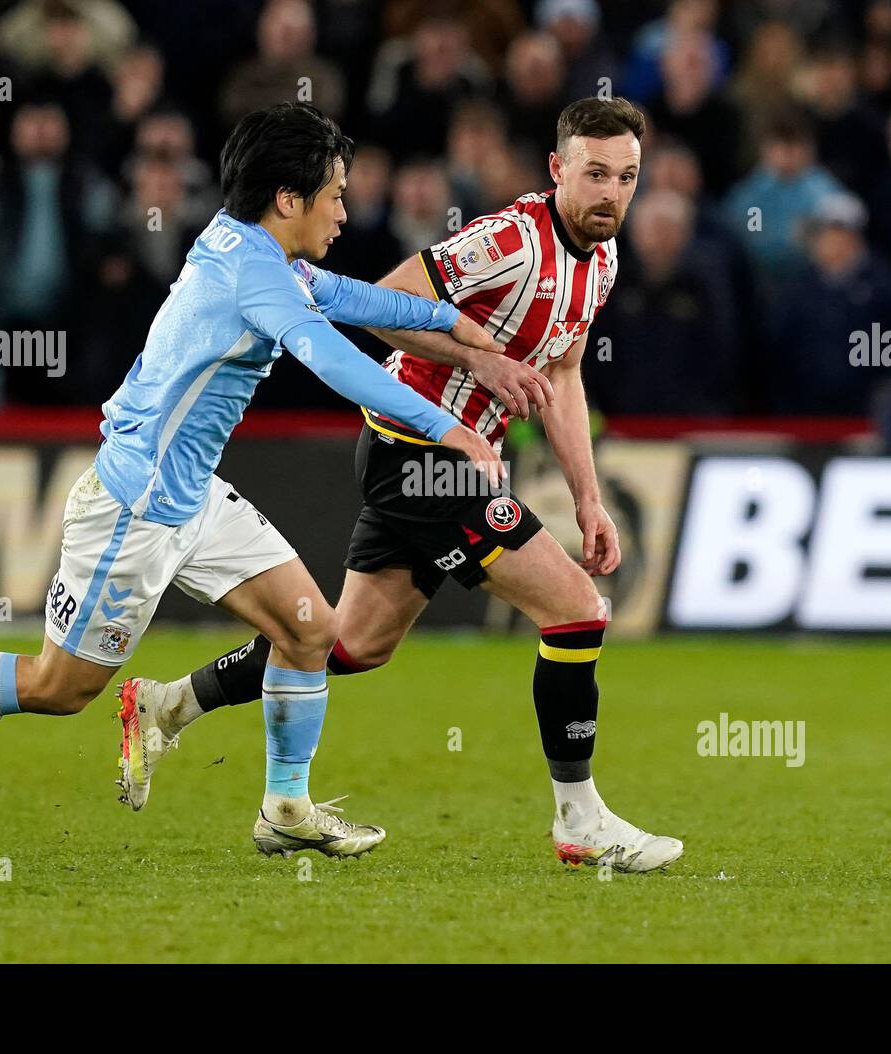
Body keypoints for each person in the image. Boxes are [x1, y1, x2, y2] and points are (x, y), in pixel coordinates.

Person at [0, 103, 505, 863]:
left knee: (310, 629)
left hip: (192, 495)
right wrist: (450, 428)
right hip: (134, 508)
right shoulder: (255, 277)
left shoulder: (252, 249)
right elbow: (332, 357)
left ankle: (285, 808)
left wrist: (461, 331)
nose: (344, 210)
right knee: (58, 688)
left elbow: (349, 297)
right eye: (334, 194)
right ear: (287, 200)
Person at [121, 97, 685, 874]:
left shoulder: (604, 260)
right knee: (577, 613)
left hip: (437, 459)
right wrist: (477, 359)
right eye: (594, 174)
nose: (611, 193)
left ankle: (169, 703)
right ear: (557, 169)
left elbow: (561, 371)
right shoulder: (511, 242)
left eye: (626, 176)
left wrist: (587, 495)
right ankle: (580, 820)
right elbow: (384, 303)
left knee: (349, 645)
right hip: (422, 455)